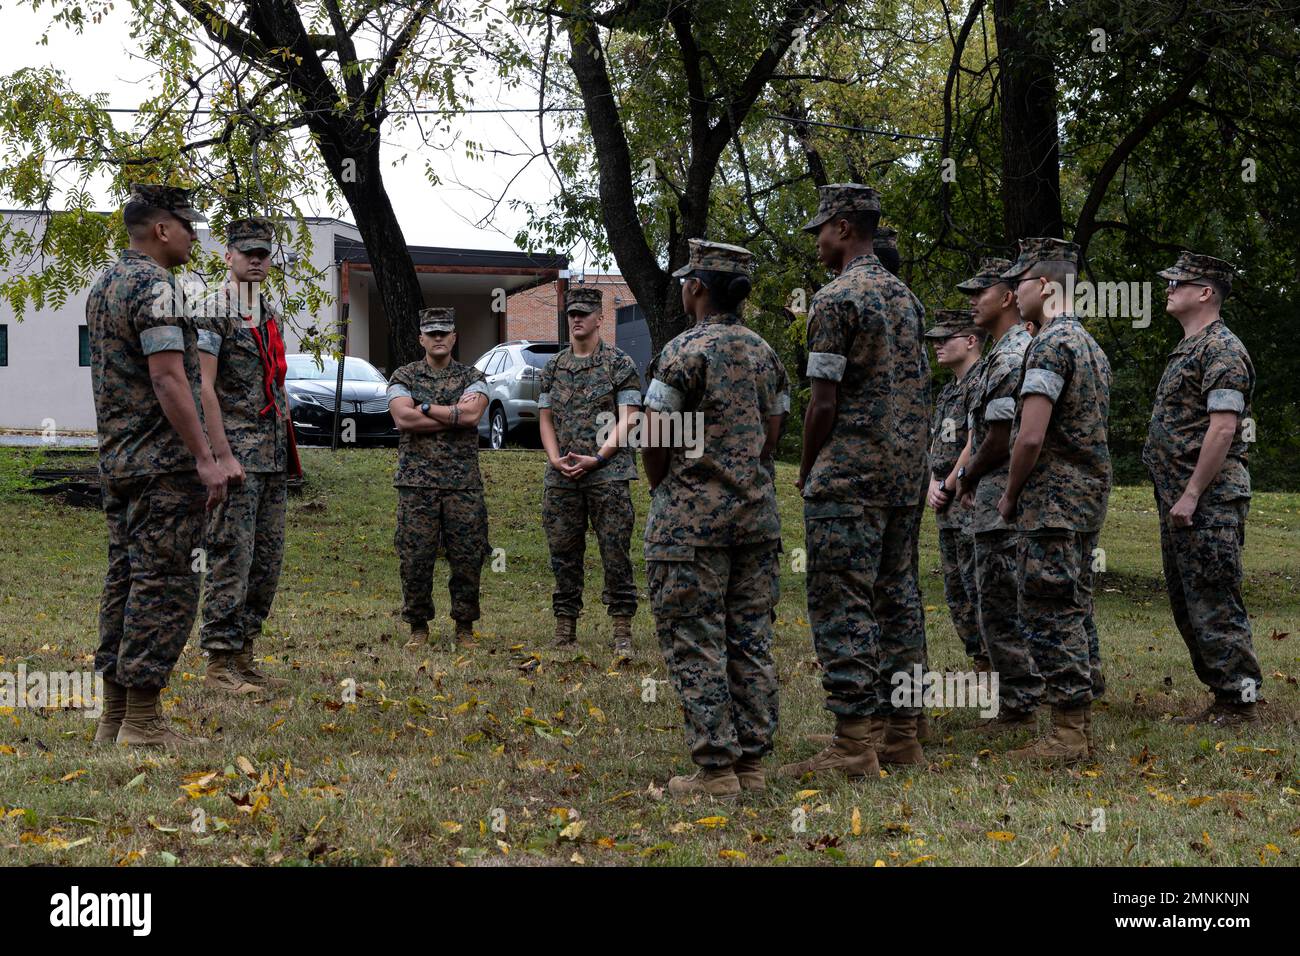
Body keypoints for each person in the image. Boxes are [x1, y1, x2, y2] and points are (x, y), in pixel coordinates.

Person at [781, 184, 930, 780]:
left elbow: (822, 402)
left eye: (821, 229)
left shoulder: (835, 299)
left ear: (843, 228)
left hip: (849, 477)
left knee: (843, 603)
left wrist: (807, 464)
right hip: (903, 476)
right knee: (897, 600)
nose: (817, 241)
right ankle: (901, 735)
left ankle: (851, 747)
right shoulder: (907, 299)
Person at [643, 238, 788, 799]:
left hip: (690, 526)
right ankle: (751, 763)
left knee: (696, 641)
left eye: (685, 281)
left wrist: (668, 487)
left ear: (697, 287)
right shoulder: (764, 353)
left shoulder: (682, 353)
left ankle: (715, 770)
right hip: (755, 521)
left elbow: (655, 436)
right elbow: (773, 434)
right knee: (750, 640)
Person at [89, 183, 231, 748]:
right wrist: (205, 457)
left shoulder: (105, 285)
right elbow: (169, 377)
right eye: (189, 224)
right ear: (162, 230)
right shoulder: (157, 287)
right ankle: (143, 725)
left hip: (120, 462)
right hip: (162, 466)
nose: (197, 235)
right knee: (164, 584)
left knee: (124, 579)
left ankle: (114, 718)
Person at [997, 238, 1111, 764]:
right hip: (1085, 498)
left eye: (1018, 282)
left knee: (1048, 607)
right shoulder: (1092, 346)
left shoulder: (1049, 346)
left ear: (1044, 285)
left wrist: (1010, 494)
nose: (1012, 293)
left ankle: (1069, 734)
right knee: (1071, 600)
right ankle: (1075, 723)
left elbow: (1029, 437)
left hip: (1052, 501)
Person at [1144, 252, 1262, 726]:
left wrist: (1192, 492)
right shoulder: (1191, 348)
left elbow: (1223, 428)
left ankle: (1240, 701)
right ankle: (1224, 694)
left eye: (1178, 282)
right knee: (1188, 600)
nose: (1169, 289)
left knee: (1214, 597)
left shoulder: (1222, 350)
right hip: (1183, 501)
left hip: (1209, 500)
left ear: (1205, 292)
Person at [197, 216, 301, 695]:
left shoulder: (268, 311)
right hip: (236, 456)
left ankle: (244, 653)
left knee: (266, 560)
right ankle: (219, 662)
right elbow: (204, 387)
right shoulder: (213, 310)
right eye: (248, 253)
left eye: (263, 254)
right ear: (229, 256)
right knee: (230, 557)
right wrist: (219, 456)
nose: (257, 260)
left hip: (272, 455)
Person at [952, 257, 1045, 730]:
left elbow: (1001, 433)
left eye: (980, 292)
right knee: (997, 597)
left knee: (1001, 600)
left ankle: (1021, 701)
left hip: (999, 500)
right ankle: (1020, 695)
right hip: (991, 498)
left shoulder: (1011, 356)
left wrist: (965, 473)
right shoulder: (999, 353)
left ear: (1007, 297)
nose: (972, 301)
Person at [538, 286, 643, 660]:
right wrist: (554, 459)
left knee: (615, 553)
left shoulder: (620, 364)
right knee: (563, 553)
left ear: (600, 318)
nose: (577, 319)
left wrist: (598, 458)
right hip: (563, 477)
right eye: (572, 314)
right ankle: (565, 629)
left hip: (608, 475)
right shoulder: (552, 368)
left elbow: (629, 418)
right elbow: (546, 418)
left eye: (584, 313)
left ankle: (622, 632)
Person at [386, 309, 490, 647]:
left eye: (444, 332)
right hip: (417, 484)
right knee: (415, 557)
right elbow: (404, 419)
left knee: (467, 556)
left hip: (463, 484)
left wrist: (426, 408)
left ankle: (464, 627)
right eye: (432, 333)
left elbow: (473, 415)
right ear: (421, 339)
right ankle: (418, 626)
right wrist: (452, 415)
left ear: (454, 337)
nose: (439, 338)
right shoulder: (404, 375)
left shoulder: (472, 376)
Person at [923, 309, 986, 670]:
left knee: (978, 586)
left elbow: (975, 441)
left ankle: (998, 668)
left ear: (970, 340)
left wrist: (947, 484)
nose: (937, 345)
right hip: (946, 504)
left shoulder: (982, 381)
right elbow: (939, 441)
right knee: (957, 591)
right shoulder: (949, 391)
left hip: (968, 499)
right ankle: (980, 663)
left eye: (945, 338)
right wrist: (932, 480)